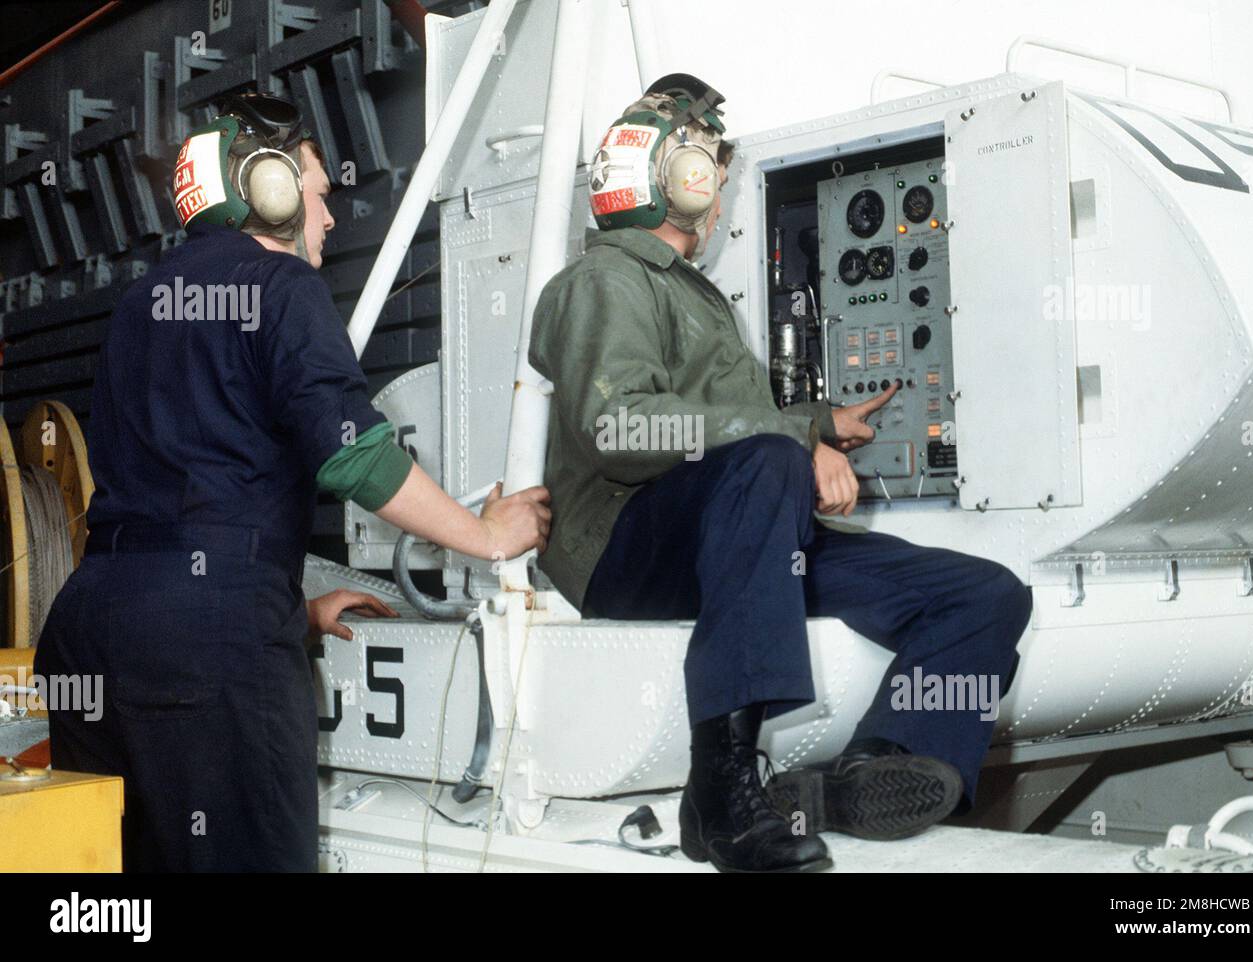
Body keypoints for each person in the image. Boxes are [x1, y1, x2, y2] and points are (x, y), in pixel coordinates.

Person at [33, 92, 550, 872]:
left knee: (121, 887)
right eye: (316, 190)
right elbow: (353, 455)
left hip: (92, 626)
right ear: (267, 187)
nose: (330, 216)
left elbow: (178, 490)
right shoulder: (280, 286)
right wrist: (487, 534)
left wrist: (290, 609)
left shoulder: (140, 304)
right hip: (207, 638)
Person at [528, 75, 1032, 873]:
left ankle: (882, 757)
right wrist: (793, 439)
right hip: (627, 546)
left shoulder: (692, 296)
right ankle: (720, 793)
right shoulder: (606, 280)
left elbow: (727, 441)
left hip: (739, 532)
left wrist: (818, 422)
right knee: (766, 464)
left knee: (984, 595)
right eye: (712, 168)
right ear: (679, 178)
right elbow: (621, 427)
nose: (720, 187)